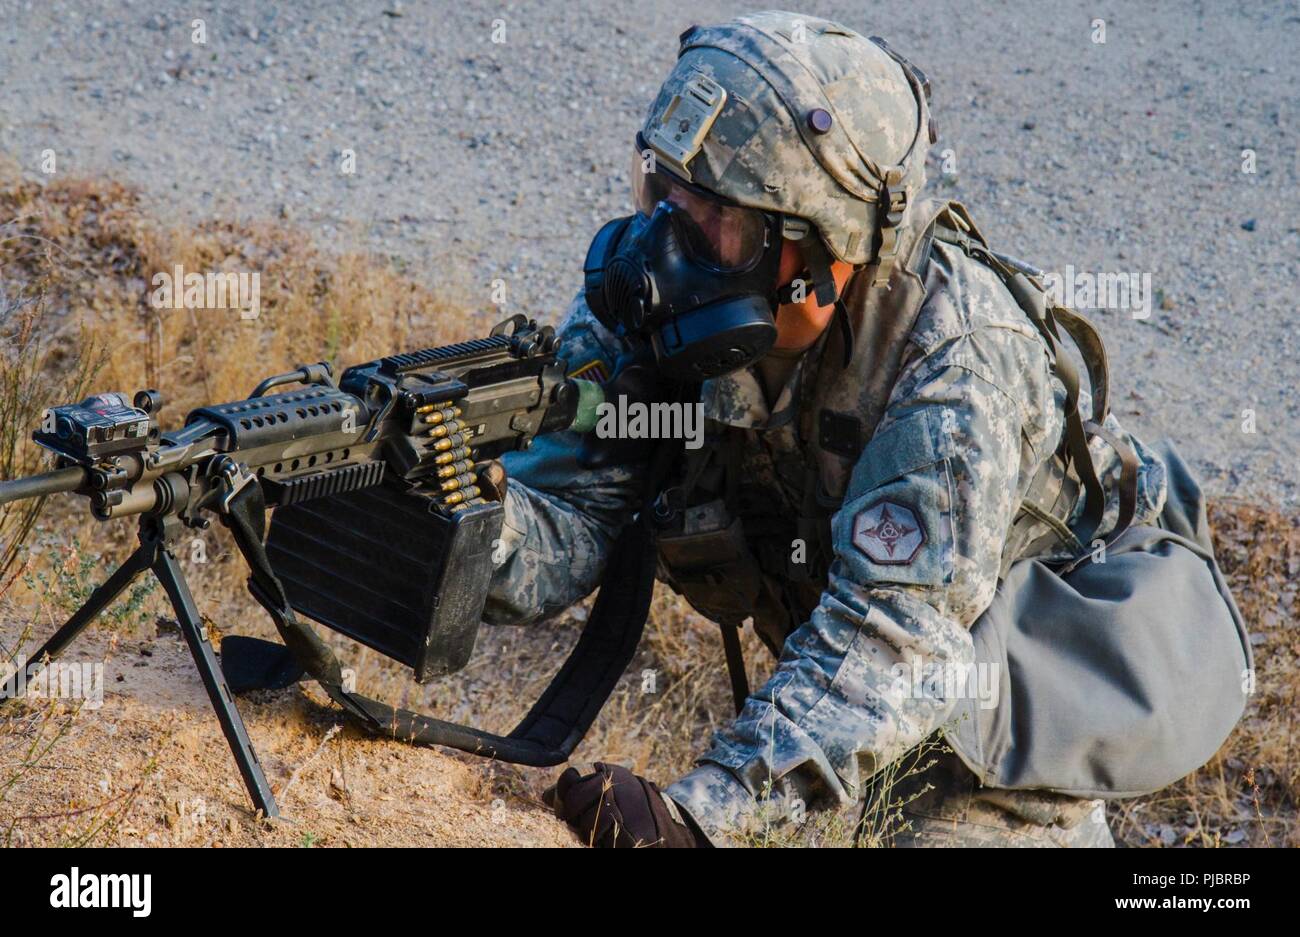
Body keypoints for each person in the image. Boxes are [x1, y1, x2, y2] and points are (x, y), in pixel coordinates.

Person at [482, 11, 1172, 847]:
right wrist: (441, 511)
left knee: (943, 812)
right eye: (662, 191)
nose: (665, 241)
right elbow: (570, 514)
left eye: (713, 222)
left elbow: (893, 643)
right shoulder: (668, 292)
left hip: (1003, 693)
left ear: (821, 251)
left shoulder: (955, 364)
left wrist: (701, 819)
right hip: (869, 643)